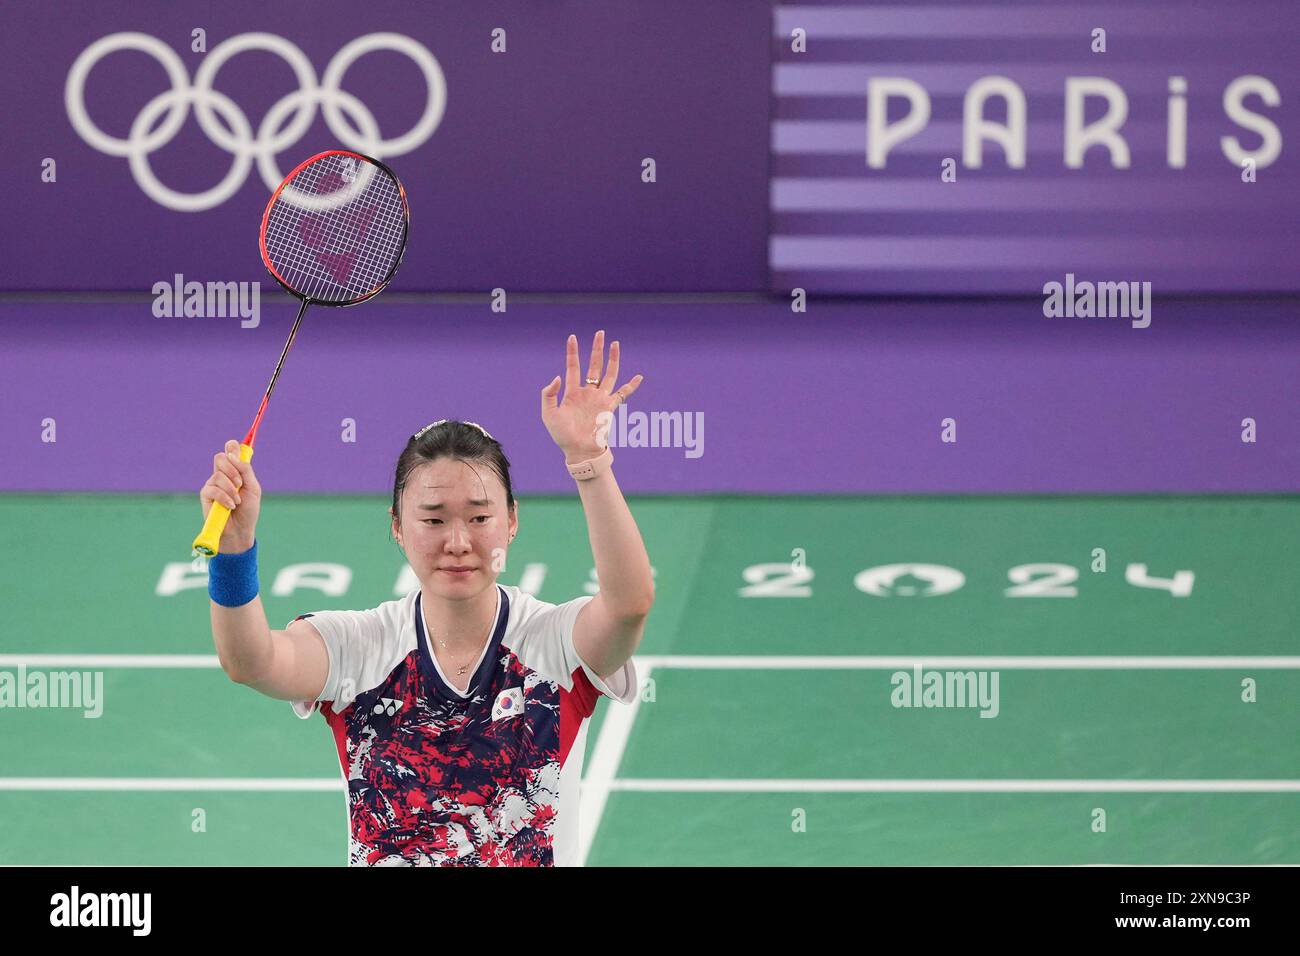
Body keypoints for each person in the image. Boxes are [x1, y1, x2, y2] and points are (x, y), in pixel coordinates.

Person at [201, 331, 652, 865]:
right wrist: (233, 552)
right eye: (433, 519)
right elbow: (250, 661)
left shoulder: (550, 646)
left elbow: (628, 604)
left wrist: (589, 460)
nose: (458, 542)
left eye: (479, 517)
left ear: (511, 521)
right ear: (397, 526)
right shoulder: (359, 648)